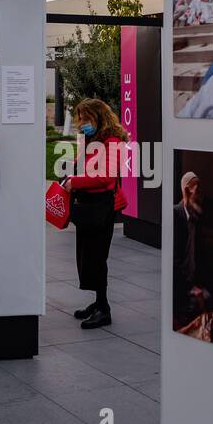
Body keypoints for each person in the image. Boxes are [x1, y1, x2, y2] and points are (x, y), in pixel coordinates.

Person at [68, 97, 128, 329]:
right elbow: (80, 164)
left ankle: (104, 309)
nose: (82, 122)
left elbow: (106, 177)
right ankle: (97, 303)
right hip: (88, 205)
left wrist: (75, 182)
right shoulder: (91, 139)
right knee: (87, 255)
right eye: (80, 118)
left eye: (85, 118)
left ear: (98, 117)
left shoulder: (113, 141)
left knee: (97, 256)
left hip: (102, 206)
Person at [173, 170, 209, 326]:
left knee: (209, 297)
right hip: (180, 283)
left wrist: (198, 284)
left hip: (193, 280)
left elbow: (198, 256)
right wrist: (190, 287)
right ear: (187, 191)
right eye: (198, 191)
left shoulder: (196, 218)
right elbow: (175, 260)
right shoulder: (175, 214)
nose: (201, 196)